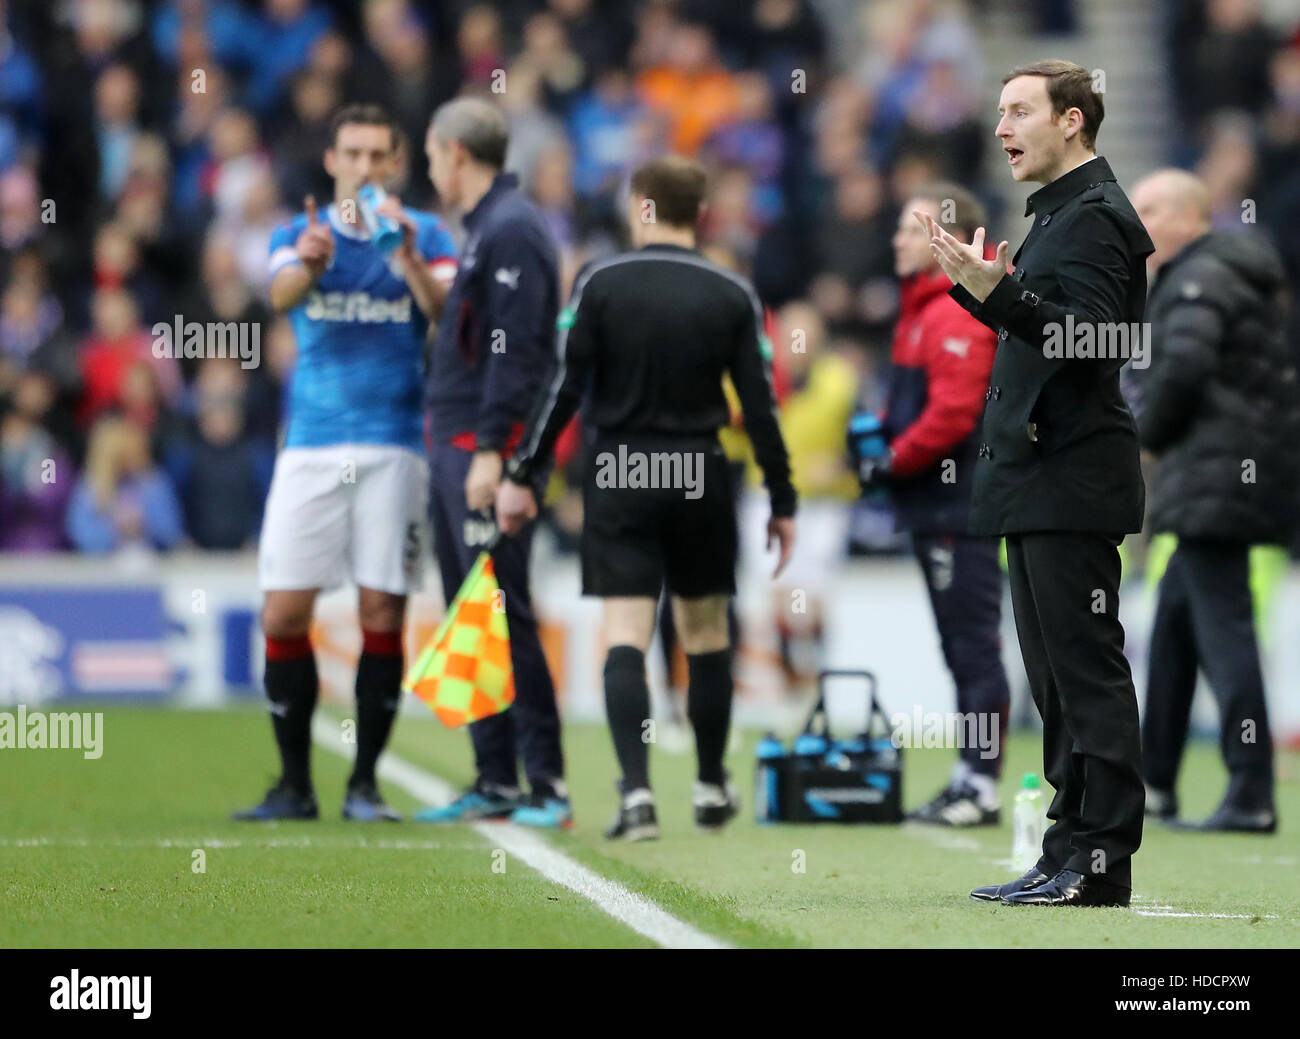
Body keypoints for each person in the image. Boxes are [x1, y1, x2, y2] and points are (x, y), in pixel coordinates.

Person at [495, 155, 797, 841]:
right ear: (703, 215)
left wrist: (523, 472)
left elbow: (562, 390)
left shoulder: (600, 281)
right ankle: (712, 783)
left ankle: (636, 795)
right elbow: (761, 406)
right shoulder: (733, 293)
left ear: (645, 209)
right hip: (700, 472)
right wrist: (783, 498)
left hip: (622, 470)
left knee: (626, 632)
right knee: (706, 633)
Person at [920, 60, 1152, 907]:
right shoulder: (1064, 212)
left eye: (1020, 111)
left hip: (1071, 474)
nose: (1001, 127)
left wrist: (1003, 296)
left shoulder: (1094, 218)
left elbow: (1096, 343)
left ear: (1074, 123)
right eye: (999, 111)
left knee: (1082, 671)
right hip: (1041, 472)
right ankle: (1067, 849)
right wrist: (989, 295)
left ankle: (1098, 862)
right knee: (1053, 676)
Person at [233, 104, 456, 823]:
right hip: (313, 442)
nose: (363, 167)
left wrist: (412, 259)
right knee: (285, 609)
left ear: (395, 164)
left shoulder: (426, 233)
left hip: (394, 443)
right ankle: (294, 785)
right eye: (351, 154)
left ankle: (364, 783)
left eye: (376, 156)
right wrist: (310, 264)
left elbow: (449, 316)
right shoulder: (298, 234)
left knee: (380, 609)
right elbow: (278, 295)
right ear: (331, 161)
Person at [415, 97, 570, 829]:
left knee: (503, 610)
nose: (428, 168)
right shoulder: (485, 232)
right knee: (474, 615)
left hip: (482, 449)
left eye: (429, 153)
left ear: (455, 152)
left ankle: (547, 782)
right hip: (457, 441)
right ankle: (495, 775)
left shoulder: (510, 231)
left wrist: (495, 454)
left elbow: (521, 356)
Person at [1129, 168, 1297, 834]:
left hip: (1217, 474)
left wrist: (1145, 435)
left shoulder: (1200, 276)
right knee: (1173, 624)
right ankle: (1156, 781)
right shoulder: (1231, 271)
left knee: (1224, 631)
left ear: (1184, 217)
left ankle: (1251, 790)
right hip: (1226, 471)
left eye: (1147, 209)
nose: (1136, 221)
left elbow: (1183, 370)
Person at [861, 182, 1010, 826]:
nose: (896, 239)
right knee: (960, 645)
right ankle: (968, 775)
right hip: (938, 505)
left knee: (972, 645)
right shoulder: (922, 311)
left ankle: (980, 783)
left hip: (961, 506)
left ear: (945, 238)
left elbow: (953, 414)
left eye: (908, 228)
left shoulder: (952, 311)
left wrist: (892, 458)